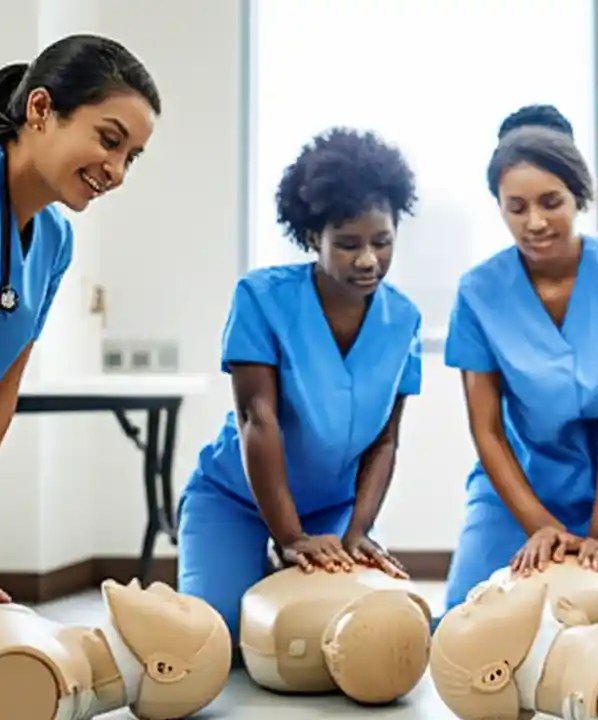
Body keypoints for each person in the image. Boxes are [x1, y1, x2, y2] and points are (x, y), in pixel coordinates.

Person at [0, 34, 159, 663]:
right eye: (109, 139)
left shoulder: (55, 238)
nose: (116, 170)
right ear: (40, 109)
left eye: (132, 157)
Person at [176, 127, 421, 641]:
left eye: (382, 242)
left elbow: (385, 440)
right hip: (235, 499)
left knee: (338, 635)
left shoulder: (404, 319)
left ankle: (274, 577)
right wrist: (289, 537)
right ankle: (253, 567)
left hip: (332, 509)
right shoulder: (261, 297)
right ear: (313, 237)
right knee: (215, 637)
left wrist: (357, 530)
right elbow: (257, 419)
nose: (368, 260)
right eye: (348, 244)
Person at [441, 105, 598, 615]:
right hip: (518, 484)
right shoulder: (478, 291)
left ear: (578, 194)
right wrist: (539, 525)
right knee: (462, 623)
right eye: (516, 207)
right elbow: (486, 429)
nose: (535, 222)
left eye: (551, 202)